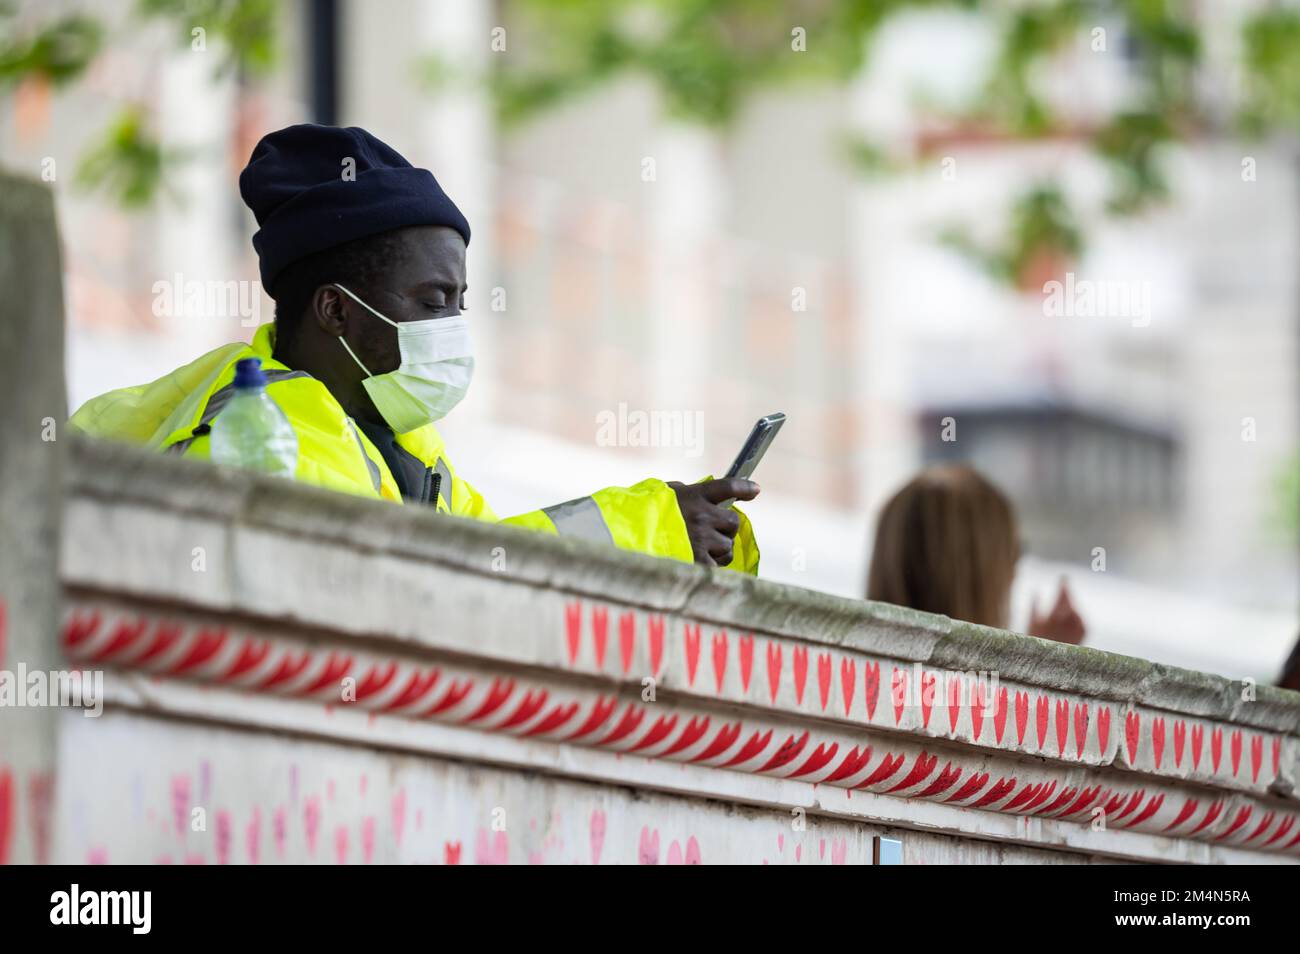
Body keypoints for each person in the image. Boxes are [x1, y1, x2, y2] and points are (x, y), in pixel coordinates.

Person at [69, 124, 759, 571]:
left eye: (459, 302)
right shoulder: (268, 436)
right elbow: (423, 590)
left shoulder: (397, 443)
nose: (454, 325)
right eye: (433, 302)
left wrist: (671, 519)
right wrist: (654, 529)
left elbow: (499, 558)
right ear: (335, 309)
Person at [865, 464, 1084, 643]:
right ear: (979, 577)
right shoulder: (976, 691)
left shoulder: (862, 680)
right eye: (1011, 553)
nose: (1015, 571)